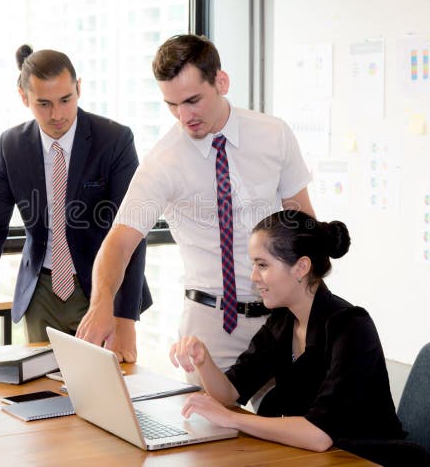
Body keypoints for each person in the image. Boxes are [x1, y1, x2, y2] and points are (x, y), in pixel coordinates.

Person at [77, 34, 314, 368]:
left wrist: (314, 305)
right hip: (209, 329)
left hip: (283, 317)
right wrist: (101, 304)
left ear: (221, 82)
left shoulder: (273, 134)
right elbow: (119, 241)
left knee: (294, 403)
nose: (183, 116)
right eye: (172, 105)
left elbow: (303, 220)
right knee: (210, 405)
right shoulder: (164, 161)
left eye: (192, 100)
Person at [0, 46, 150, 355]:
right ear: (24, 97)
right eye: (44, 104)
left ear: (79, 88)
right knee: (42, 382)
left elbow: (132, 230)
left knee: (103, 382)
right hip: (41, 292)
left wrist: (125, 318)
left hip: (102, 289)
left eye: (65, 100)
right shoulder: (11, 146)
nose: (57, 115)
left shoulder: (114, 140)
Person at [169, 210, 405, 453]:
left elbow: (318, 435)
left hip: (370, 458)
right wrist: (203, 360)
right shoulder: (282, 321)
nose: (254, 277)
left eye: (262, 265)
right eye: (253, 265)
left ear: (301, 267)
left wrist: (232, 419)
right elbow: (229, 393)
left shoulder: (351, 326)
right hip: (318, 457)